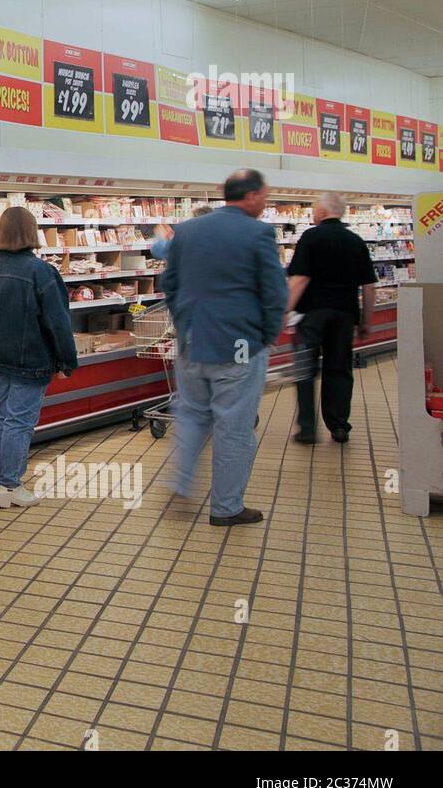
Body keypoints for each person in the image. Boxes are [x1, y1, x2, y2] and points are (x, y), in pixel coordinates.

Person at [160, 169, 287, 526]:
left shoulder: (186, 231)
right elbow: (275, 293)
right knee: (234, 425)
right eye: (264, 196)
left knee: (191, 417)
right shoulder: (258, 233)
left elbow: (168, 283)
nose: (265, 203)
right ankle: (226, 507)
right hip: (240, 345)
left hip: (191, 342)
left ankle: (181, 488)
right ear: (250, 196)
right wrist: (266, 336)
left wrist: (185, 324)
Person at [0, 206, 78, 509]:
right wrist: (66, 361)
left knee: (3, 416)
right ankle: (10, 485)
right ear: (32, 232)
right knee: (19, 422)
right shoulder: (41, 271)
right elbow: (58, 321)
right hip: (29, 357)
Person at [286, 192, 377, 445]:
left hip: (311, 316)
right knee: (339, 368)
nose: (313, 214)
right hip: (344, 316)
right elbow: (369, 287)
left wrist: (285, 311)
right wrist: (366, 321)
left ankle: (307, 428)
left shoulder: (311, 238)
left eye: (314, 209)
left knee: (305, 370)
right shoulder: (355, 241)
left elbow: (300, 279)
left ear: (324, 212)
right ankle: (338, 425)